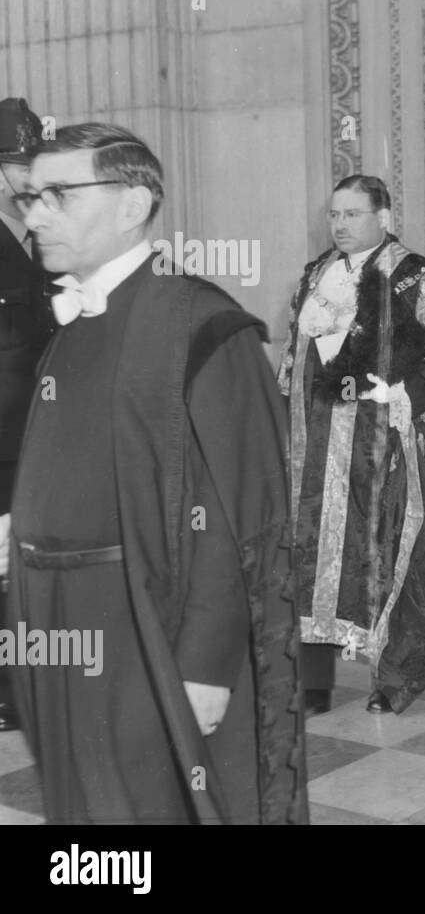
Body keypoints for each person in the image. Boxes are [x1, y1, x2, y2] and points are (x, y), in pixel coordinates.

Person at [1, 122, 306, 822]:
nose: (34, 214)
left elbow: (242, 515)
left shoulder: (204, 328)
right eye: (28, 198)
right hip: (57, 623)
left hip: (145, 629)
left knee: (147, 812)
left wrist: (204, 662)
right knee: (82, 807)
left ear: (132, 205)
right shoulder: (72, 320)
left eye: (56, 194)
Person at [280, 174, 425, 715]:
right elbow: (293, 362)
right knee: (310, 554)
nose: (341, 225)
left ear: (383, 218)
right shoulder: (314, 275)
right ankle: (313, 681)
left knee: (391, 551)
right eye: (335, 215)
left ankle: (398, 676)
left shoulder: (415, 277)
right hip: (316, 447)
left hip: (381, 443)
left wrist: (406, 398)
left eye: (353, 214)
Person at [0, 97, 52, 735]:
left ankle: (27, 681)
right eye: (14, 163)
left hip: (40, 429)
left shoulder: (42, 233)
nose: (24, 176)